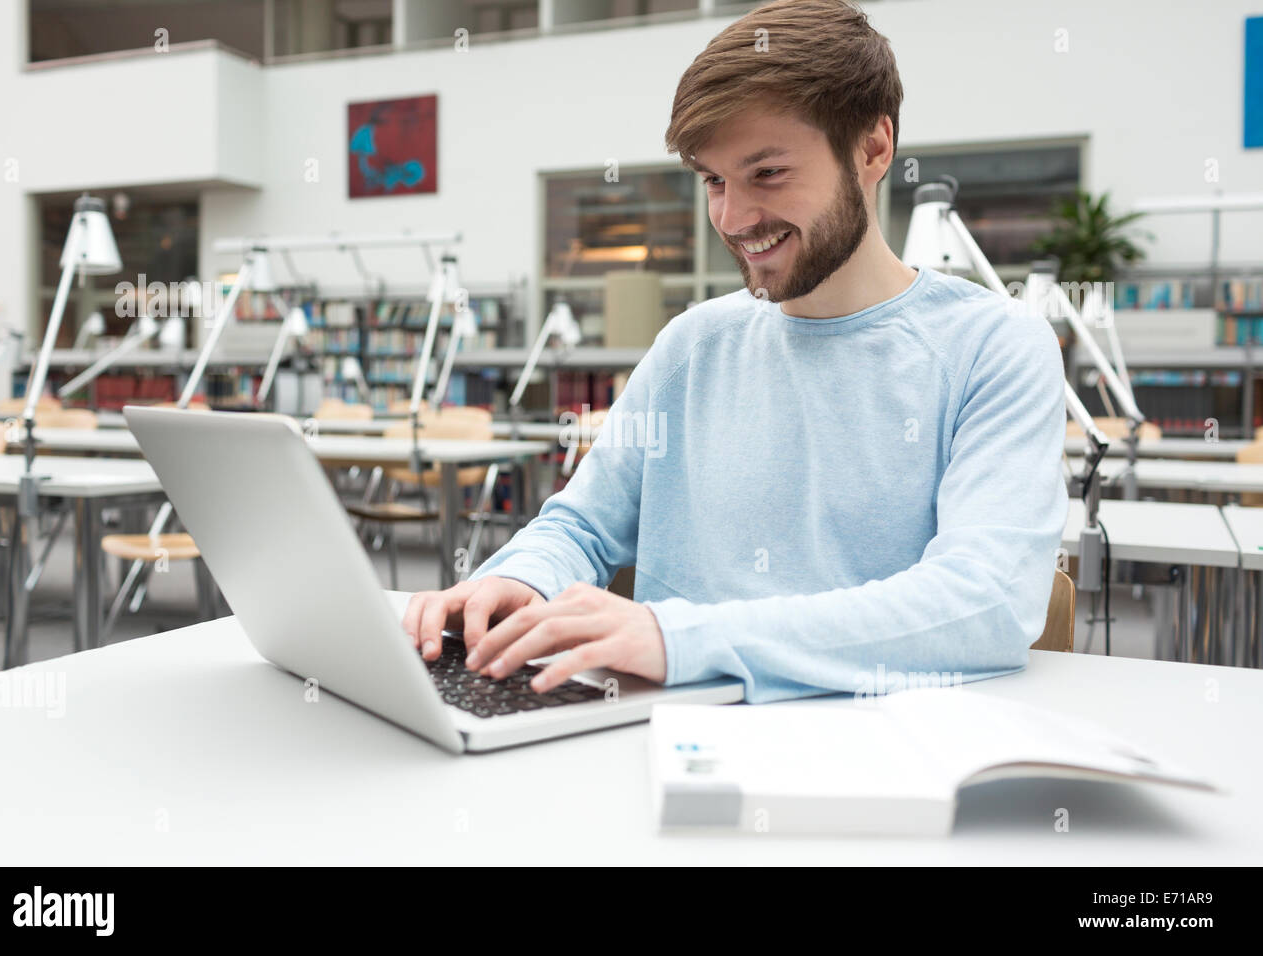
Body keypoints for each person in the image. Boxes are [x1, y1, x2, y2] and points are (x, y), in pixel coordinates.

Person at [402, 0, 1067, 703]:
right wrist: (517, 579)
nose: (732, 217)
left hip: (875, 753)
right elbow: (582, 524)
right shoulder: (693, 345)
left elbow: (983, 602)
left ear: (873, 149)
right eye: (714, 180)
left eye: (768, 174)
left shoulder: (995, 348)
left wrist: (679, 639)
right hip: (655, 739)